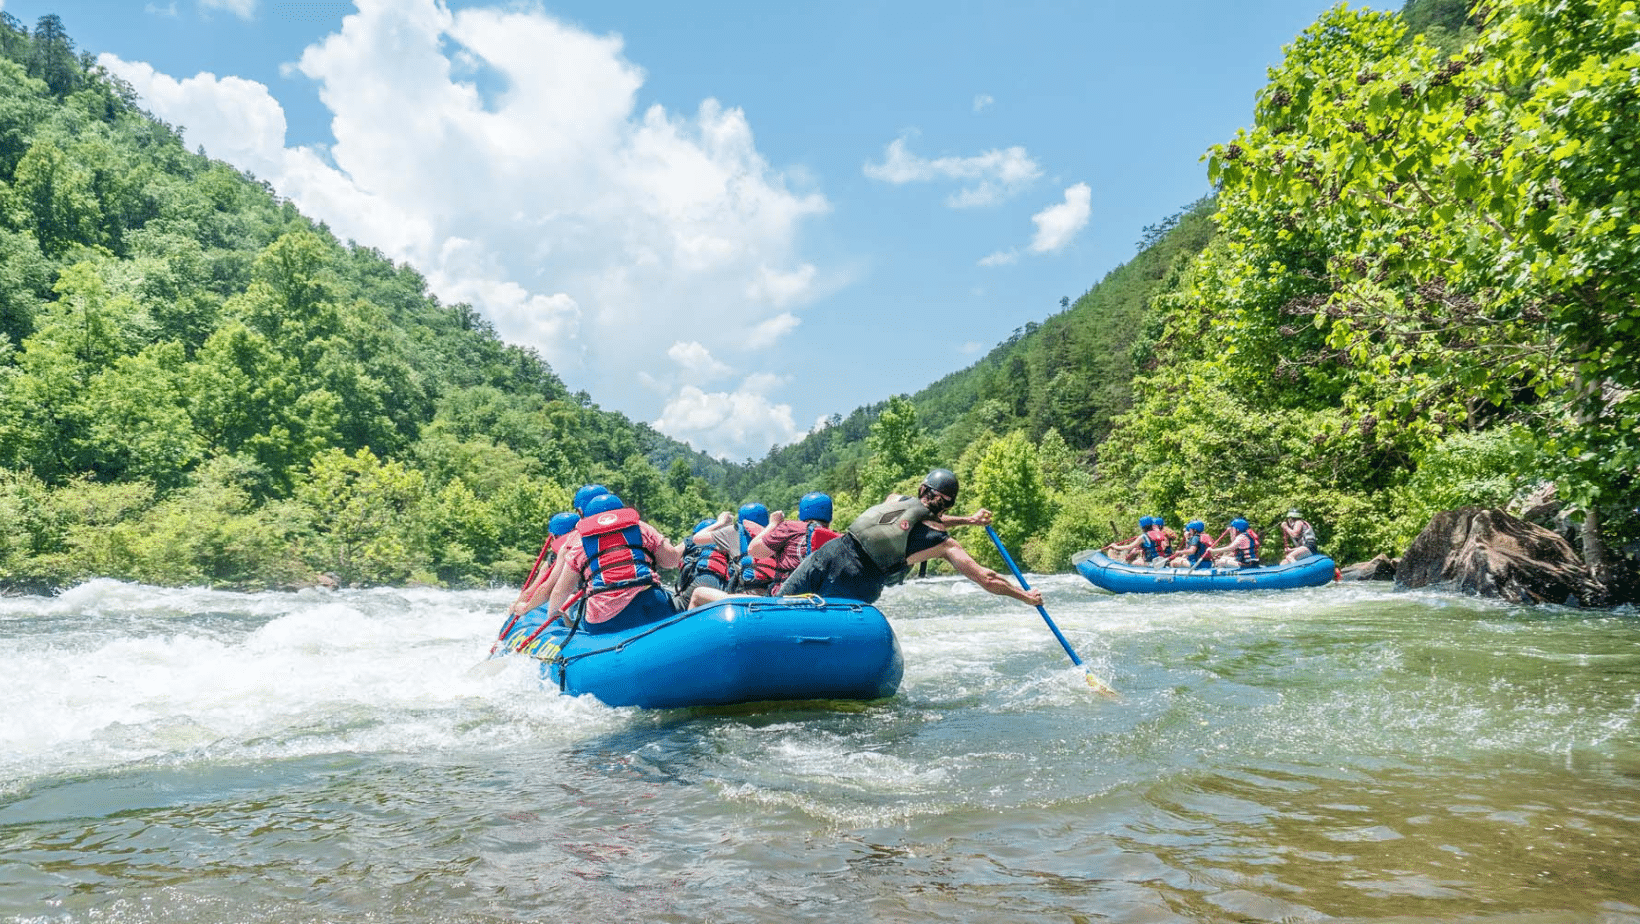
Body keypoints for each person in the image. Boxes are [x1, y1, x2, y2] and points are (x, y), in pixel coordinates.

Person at [776, 469, 1043, 608]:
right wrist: (1025, 595)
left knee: (781, 605)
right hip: (860, 580)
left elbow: (919, 518)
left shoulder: (895, 499)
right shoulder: (943, 543)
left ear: (922, 489)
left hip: (831, 552)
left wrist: (969, 520)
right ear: (948, 506)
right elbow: (987, 578)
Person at [546, 493, 683, 634]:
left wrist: (552, 616)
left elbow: (561, 591)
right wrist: (684, 543)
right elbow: (671, 561)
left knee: (578, 612)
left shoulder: (581, 542)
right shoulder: (642, 528)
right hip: (652, 604)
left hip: (606, 615)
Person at [506, 484, 609, 618]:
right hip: (627, 596)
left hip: (590, 603)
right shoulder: (638, 530)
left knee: (566, 602)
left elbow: (547, 588)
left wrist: (522, 607)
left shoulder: (570, 545)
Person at [686, 503, 779, 607]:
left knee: (697, 594)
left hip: (748, 598)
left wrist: (720, 522)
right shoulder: (778, 534)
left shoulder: (734, 533)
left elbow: (697, 538)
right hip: (773, 598)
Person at [750, 491, 842, 594]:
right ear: (830, 516)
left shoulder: (790, 528)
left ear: (802, 512)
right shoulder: (838, 539)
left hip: (789, 594)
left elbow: (754, 550)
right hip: (824, 596)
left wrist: (773, 524)